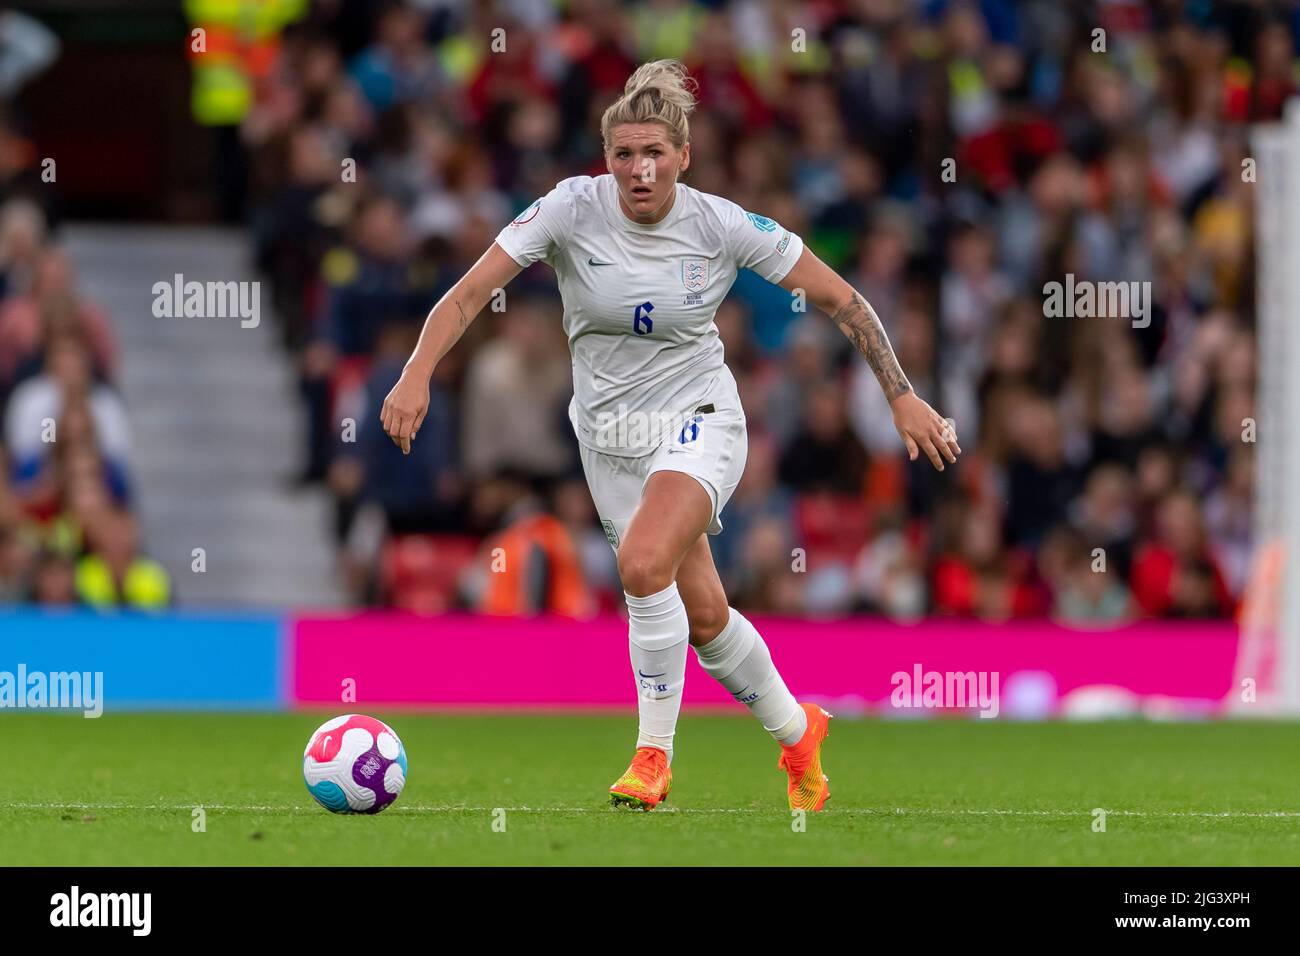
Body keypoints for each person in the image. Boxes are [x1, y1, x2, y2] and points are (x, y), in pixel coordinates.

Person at [381, 60, 959, 812]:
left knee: (644, 566)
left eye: (654, 153)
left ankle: (652, 757)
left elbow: (843, 300)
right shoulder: (570, 209)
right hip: (608, 440)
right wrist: (416, 372)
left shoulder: (721, 225)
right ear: (607, 158)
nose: (639, 169)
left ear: (684, 156)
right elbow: (466, 295)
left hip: (699, 420)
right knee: (709, 619)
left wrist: (902, 395)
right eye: (624, 154)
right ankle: (798, 732)